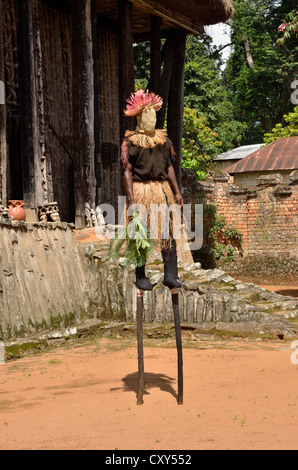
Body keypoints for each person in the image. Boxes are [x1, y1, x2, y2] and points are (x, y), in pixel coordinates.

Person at [121, 89, 183, 291]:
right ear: (139, 118)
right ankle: (140, 276)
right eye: (146, 115)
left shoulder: (163, 141)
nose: (151, 118)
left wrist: (176, 191)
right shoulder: (131, 142)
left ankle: (171, 275)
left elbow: (169, 167)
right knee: (140, 234)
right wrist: (131, 199)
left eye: (153, 114)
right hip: (140, 192)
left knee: (168, 233)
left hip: (161, 191)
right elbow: (127, 172)